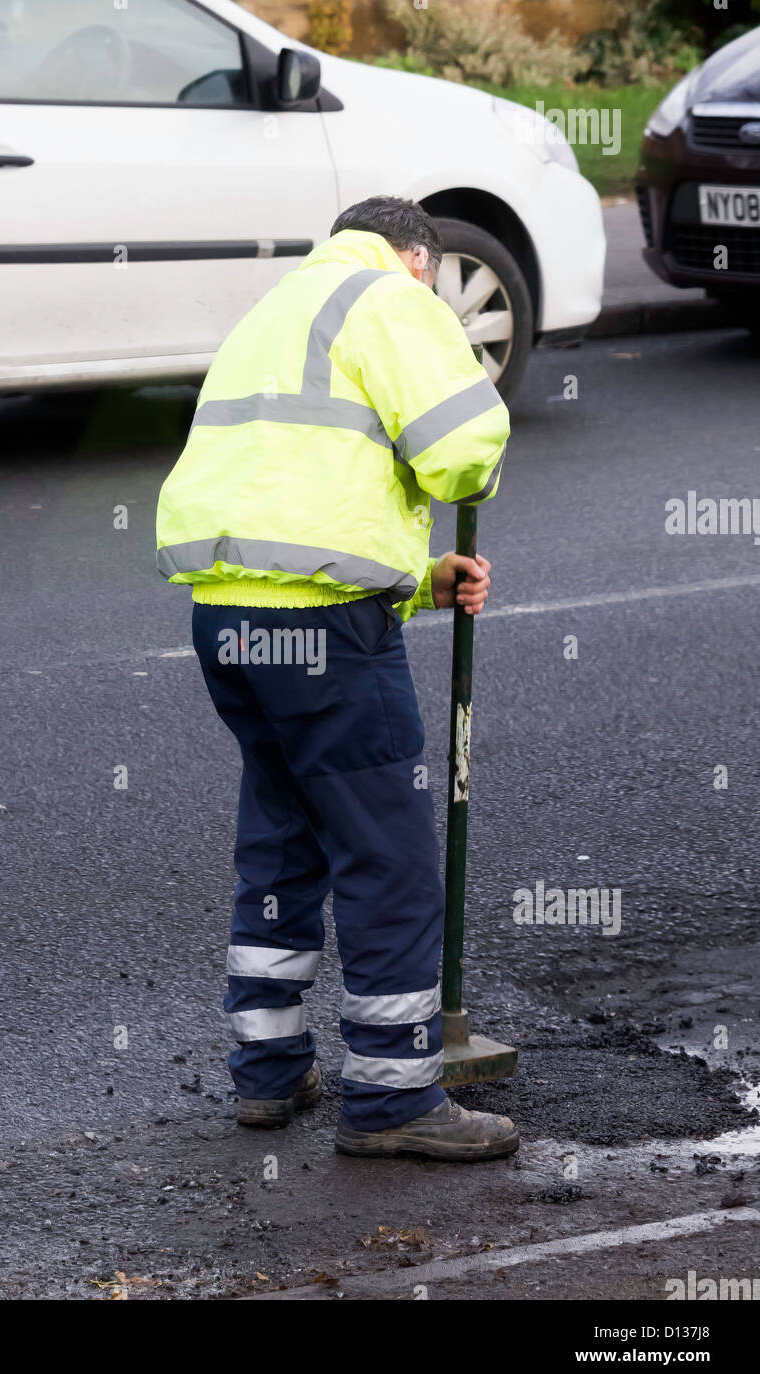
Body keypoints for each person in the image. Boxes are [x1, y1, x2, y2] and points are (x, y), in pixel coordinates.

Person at [156, 196, 517, 1161]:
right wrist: (472, 468)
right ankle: (394, 1100)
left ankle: (267, 1076)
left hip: (229, 624)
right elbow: (460, 448)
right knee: (387, 856)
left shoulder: (274, 309)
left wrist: (418, 587)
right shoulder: (390, 298)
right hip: (324, 635)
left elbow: (294, 505)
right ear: (416, 260)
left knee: (281, 837)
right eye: (434, 285)